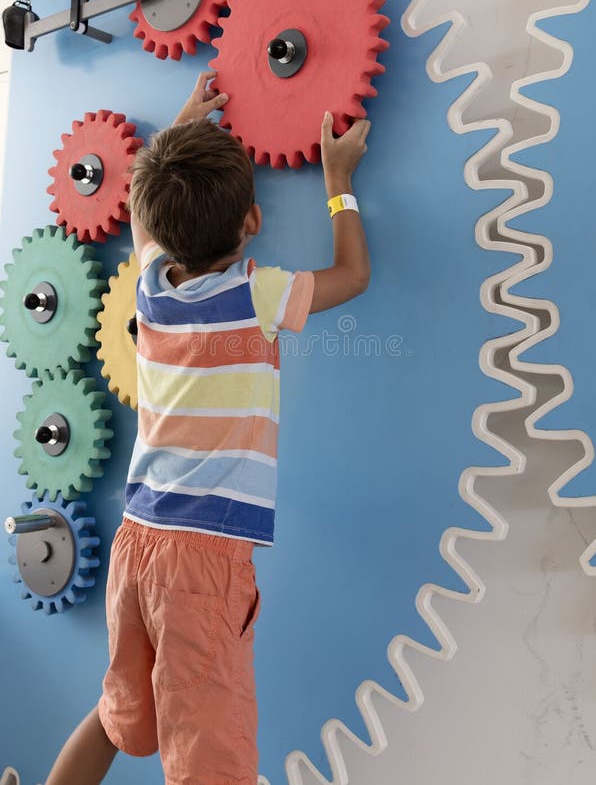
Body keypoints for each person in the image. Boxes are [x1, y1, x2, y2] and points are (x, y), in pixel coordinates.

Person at [45, 72, 371, 785]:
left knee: (116, 712)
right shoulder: (258, 295)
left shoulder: (153, 290)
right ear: (252, 224)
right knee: (210, 761)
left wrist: (179, 131)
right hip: (202, 564)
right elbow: (353, 274)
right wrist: (338, 181)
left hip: (137, 542)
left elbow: (140, 210)